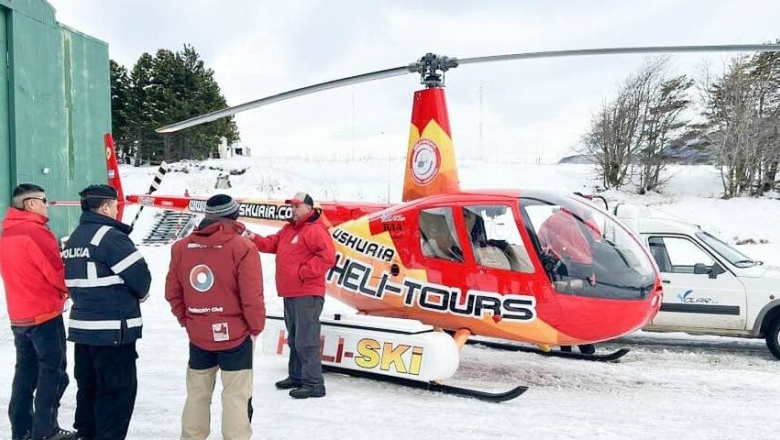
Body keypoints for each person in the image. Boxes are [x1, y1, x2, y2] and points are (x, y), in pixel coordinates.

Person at [165, 194, 265, 440]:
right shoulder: (243, 247)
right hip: (235, 336)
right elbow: (252, 297)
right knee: (235, 396)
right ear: (233, 216)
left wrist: (189, 321)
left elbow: (172, 293)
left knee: (197, 394)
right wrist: (255, 327)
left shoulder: (181, 247)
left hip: (199, 334)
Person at [62, 184, 151, 440]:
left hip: (84, 332)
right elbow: (140, 279)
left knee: (89, 390)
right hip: (112, 332)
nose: (116, 210)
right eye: (114, 206)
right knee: (116, 394)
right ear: (104, 207)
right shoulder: (110, 237)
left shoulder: (77, 236)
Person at [0, 184, 76, 440]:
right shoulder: (36, 233)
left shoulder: (7, 233)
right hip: (43, 314)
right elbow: (56, 273)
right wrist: (71, 290)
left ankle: (21, 429)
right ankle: (46, 430)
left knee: (25, 373)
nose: (47, 205)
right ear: (31, 203)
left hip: (19, 315)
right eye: (44, 200)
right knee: (53, 372)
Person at [247, 191, 336, 399]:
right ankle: (297, 376)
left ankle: (314, 383)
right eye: (291, 206)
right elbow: (270, 244)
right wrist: (252, 238)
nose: (293, 209)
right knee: (295, 338)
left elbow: (328, 257)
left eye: (296, 206)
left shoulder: (315, 230)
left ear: (309, 208)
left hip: (307, 292)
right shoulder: (288, 229)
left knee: (306, 339)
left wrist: (303, 272)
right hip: (291, 292)